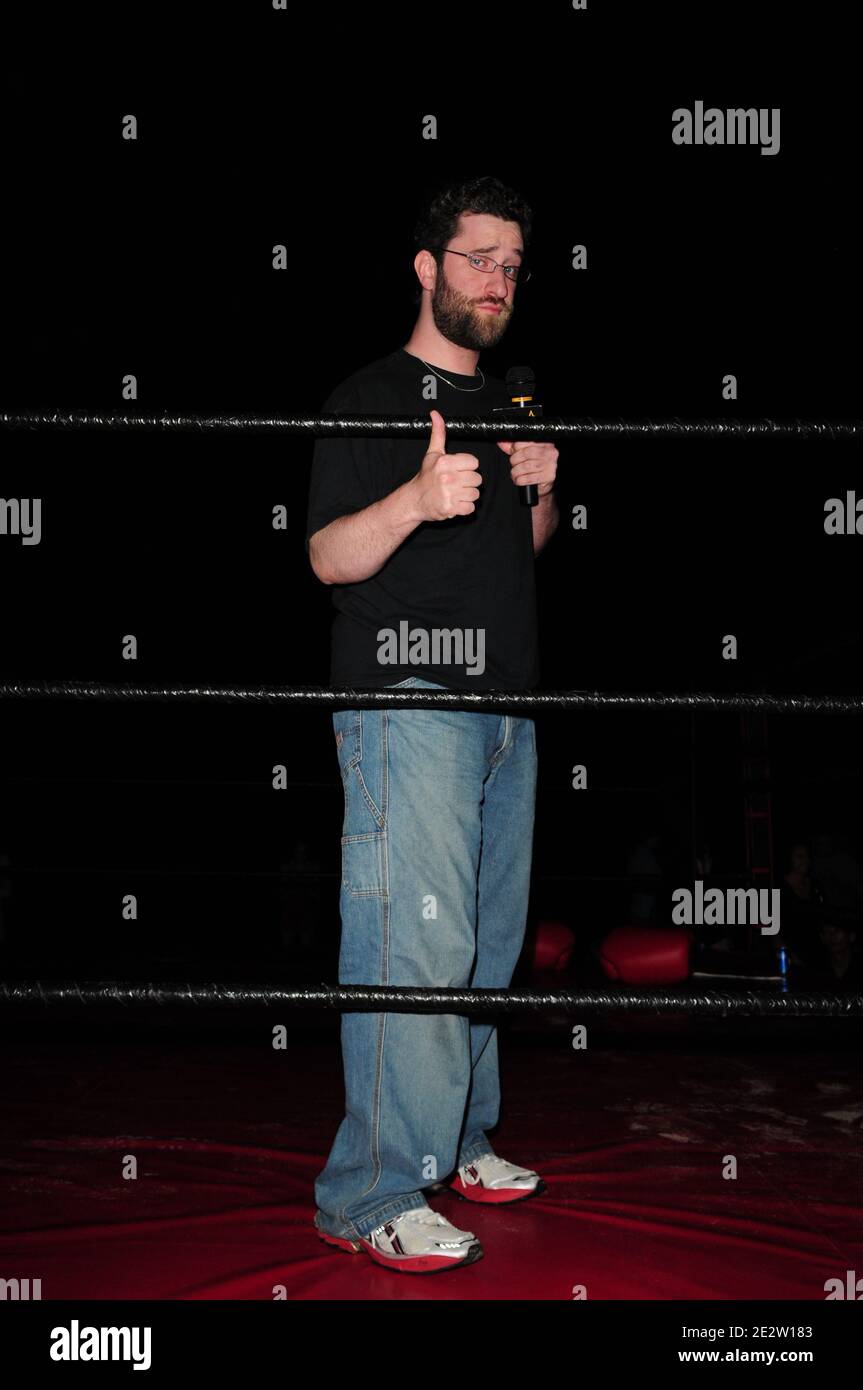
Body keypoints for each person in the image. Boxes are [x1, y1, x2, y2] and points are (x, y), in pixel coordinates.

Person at [305, 175, 559, 1273]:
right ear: (425, 268)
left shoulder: (512, 402)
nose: (496, 278)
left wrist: (542, 490)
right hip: (405, 703)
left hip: (507, 710)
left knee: (482, 950)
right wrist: (412, 497)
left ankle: (458, 1140)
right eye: (476, 257)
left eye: (511, 263)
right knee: (414, 943)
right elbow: (325, 557)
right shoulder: (364, 396)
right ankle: (368, 1190)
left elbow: (520, 554)